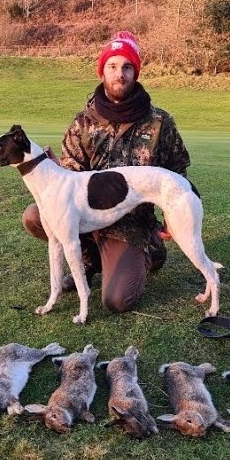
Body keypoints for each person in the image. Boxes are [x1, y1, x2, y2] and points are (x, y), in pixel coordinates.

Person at [21, 30, 191, 314]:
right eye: (112, 66)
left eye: (127, 67)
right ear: (102, 71)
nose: (119, 74)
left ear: (135, 73)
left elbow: (177, 170)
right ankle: (88, 261)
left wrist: (170, 216)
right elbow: (71, 174)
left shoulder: (160, 122)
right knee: (35, 216)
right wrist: (54, 170)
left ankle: (149, 248)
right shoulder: (83, 122)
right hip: (87, 213)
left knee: (116, 300)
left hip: (130, 222)